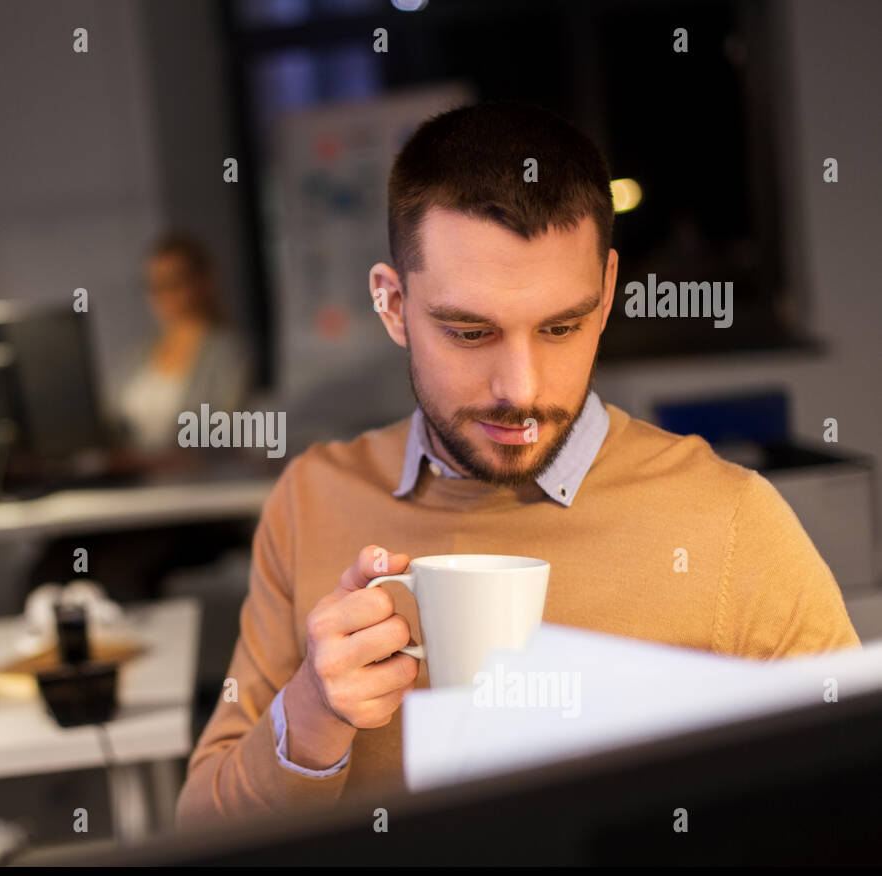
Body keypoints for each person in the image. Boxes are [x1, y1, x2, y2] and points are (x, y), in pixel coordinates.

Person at [175, 101, 861, 828]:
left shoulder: (730, 522)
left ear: (605, 298)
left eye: (562, 327)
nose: (522, 390)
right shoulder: (313, 499)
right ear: (393, 304)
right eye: (471, 332)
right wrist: (312, 713)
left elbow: (847, 821)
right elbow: (201, 830)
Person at [115, 234, 250, 452]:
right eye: (155, 286)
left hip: (194, 478)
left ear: (203, 282)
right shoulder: (136, 354)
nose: (164, 295)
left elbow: (223, 430)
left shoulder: (229, 353)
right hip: (131, 478)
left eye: (173, 283)